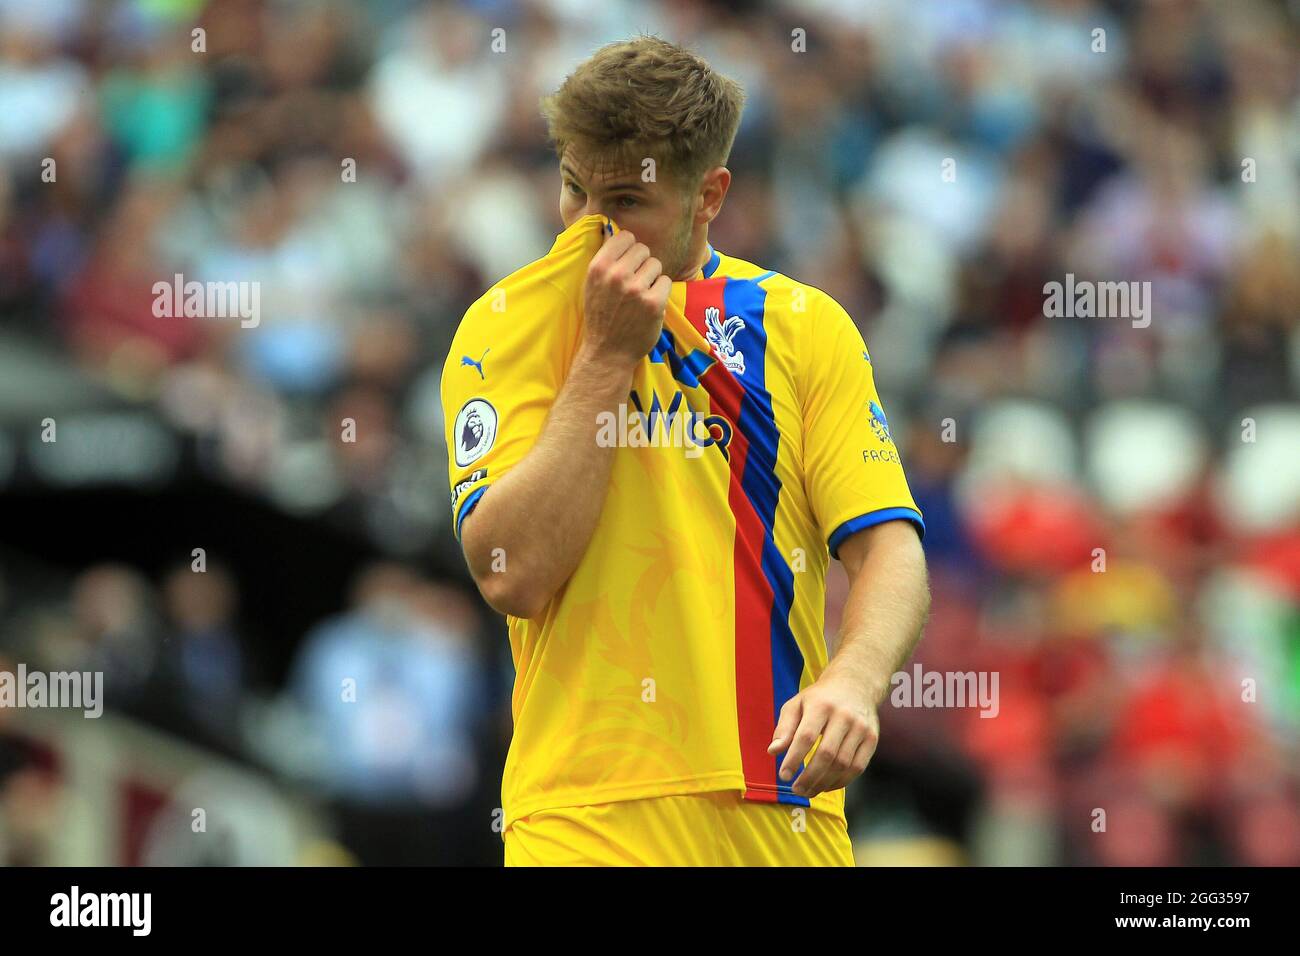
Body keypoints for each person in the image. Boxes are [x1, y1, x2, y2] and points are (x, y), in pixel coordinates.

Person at [440, 36, 929, 866]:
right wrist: (603, 358)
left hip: (782, 810)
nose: (592, 227)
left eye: (627, 201)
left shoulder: (805, 328)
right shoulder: (508, 324)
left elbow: (890, 547)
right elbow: (509, 572)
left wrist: (852, 680)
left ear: (710, 194)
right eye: (573, 189)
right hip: (584, 812)